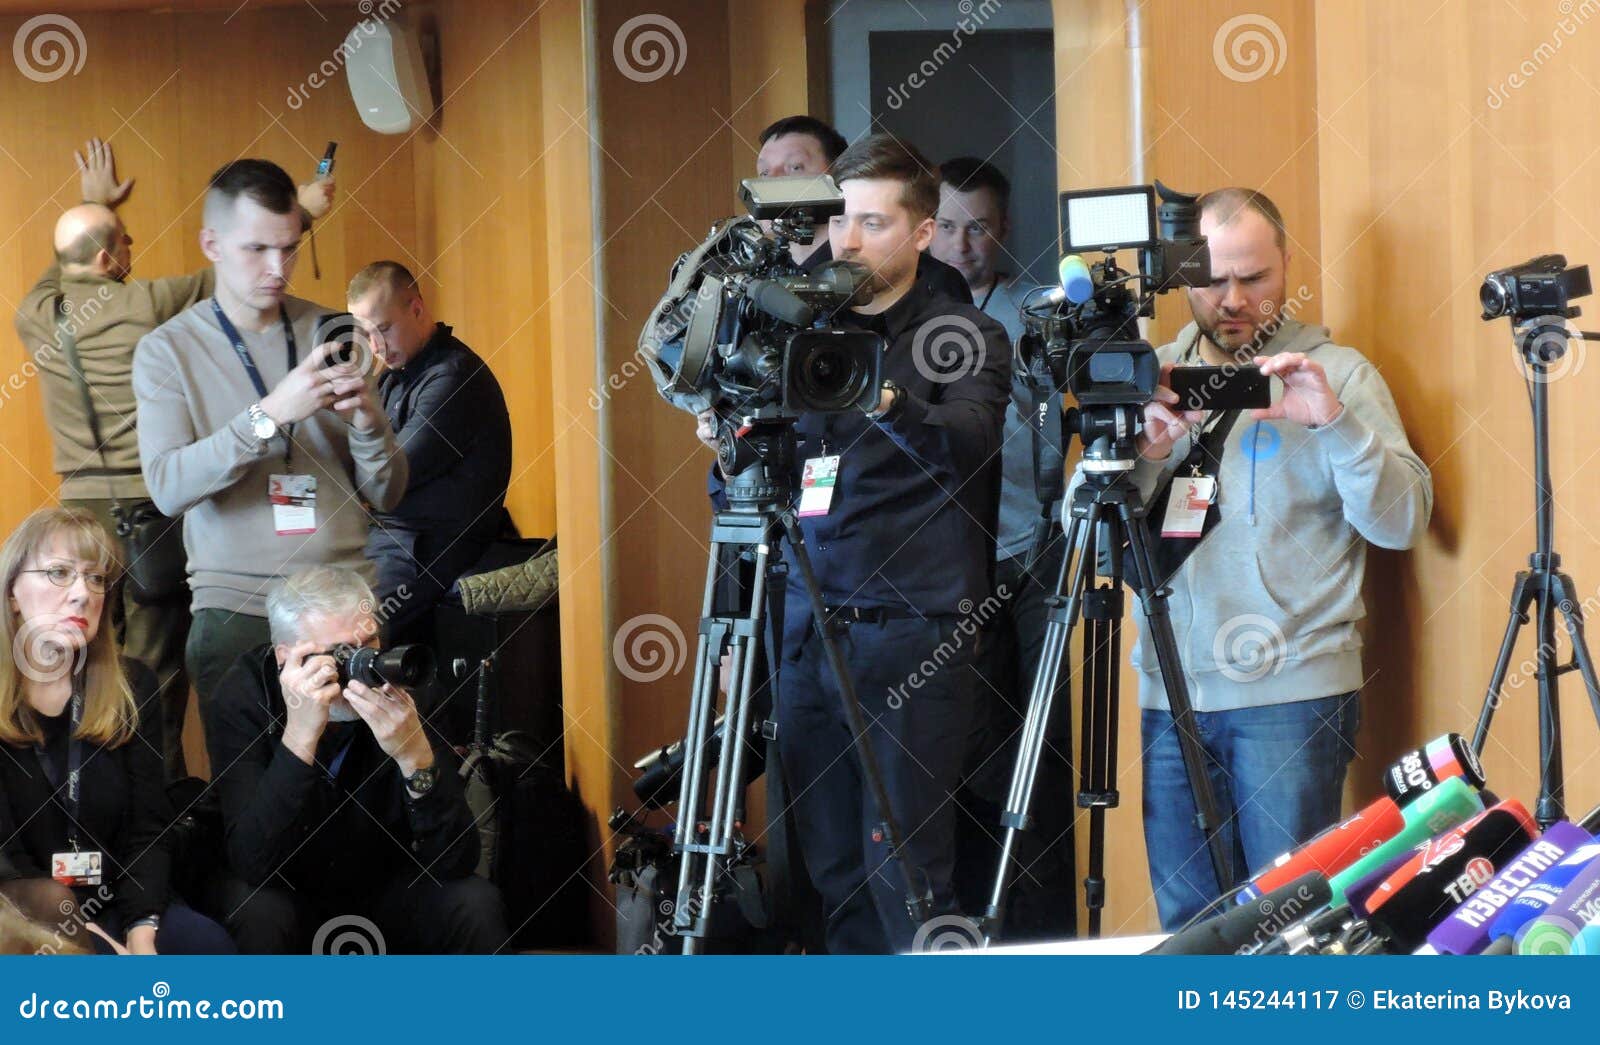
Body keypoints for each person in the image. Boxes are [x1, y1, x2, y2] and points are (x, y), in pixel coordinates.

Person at [1117, 188, 1432, 929]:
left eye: (1253, 278)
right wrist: (1141, 450)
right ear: (1179, 275)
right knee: (1190, 930)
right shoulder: (1144, 379)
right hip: (1171, 695)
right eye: (1212, 279)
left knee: (1292, 927)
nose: (1232, 300)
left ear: (1287, 265)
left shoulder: (1340, 375)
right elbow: (1079, 534)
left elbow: (1403, 523)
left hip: (1292, 697)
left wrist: (1331, 424)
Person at [748, 133, 1011, 953]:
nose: (847, 241)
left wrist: (886, 397)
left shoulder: (962, 333)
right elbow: (753, 488)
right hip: (803, 632)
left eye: (872, 221)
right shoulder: (798, 333)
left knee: (907, 873)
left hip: (912, 639)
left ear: (923, 232)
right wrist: (731, 441)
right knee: (829, 872)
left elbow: (967, 445)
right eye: (840, 221)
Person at [12, 139, 332, 780]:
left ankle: (93, 789)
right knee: (156, 666)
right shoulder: (147, 305)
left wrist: (92, 203)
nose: (132, 254)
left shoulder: (35, 314)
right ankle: (157, 801)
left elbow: (61, 264)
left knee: (89, 656)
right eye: (124, 244)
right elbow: (237, 269)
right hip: (152, 506)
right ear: (107, 258)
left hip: (82, 507)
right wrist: (306, 206)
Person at [133, 159, 407, 744]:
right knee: (257, 819)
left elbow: (388, 492)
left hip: (345, 609)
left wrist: (368, 422)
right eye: (257, 249)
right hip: (237, 611)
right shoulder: (166, 350)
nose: (278, 269)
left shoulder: (336, 333)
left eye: (289, 248)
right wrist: (269, 414)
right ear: (211, 243)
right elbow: (168, 486)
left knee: (366, 817)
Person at [205, 565, 508, 954]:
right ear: (286, 658)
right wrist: (300, 736)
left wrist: (414, 756)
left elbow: (457, 860)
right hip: (287, 889)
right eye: (341, 655)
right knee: (258, 910)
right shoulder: (246, 694)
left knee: (474, 902)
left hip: (383, 883)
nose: (361, 670)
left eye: (369, 646)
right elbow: (252, 861)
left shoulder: (405, 686)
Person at [931, 157, 1074, 936]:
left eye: (978, 225)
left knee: (1043, 741)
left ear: (1005, 228)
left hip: (1036, 551)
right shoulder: (916, 321)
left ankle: (1041, 921)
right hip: (952, 565)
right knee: (966, 744)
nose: (963, 243)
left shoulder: (1038, 312)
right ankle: (972, 913)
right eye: (948, 225)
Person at [0, 508, 234, 954]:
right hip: (25, 913)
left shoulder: (132, 685)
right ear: (13, 592)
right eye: (59, 573)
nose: (81, 594)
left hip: (119, 900)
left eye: (95, 579)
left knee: (207, 946)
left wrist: (141, 931)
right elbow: (7, 863)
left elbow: (149, 830)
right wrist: (97, 941)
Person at [347, 261, 512, 642]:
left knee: (349, 635)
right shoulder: (393, 374)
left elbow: (385, 475)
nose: (376, 347)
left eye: (384, 329)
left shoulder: (454, 377)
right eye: (366, 335)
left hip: (429, 548)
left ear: (417, 309)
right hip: (388, 538)